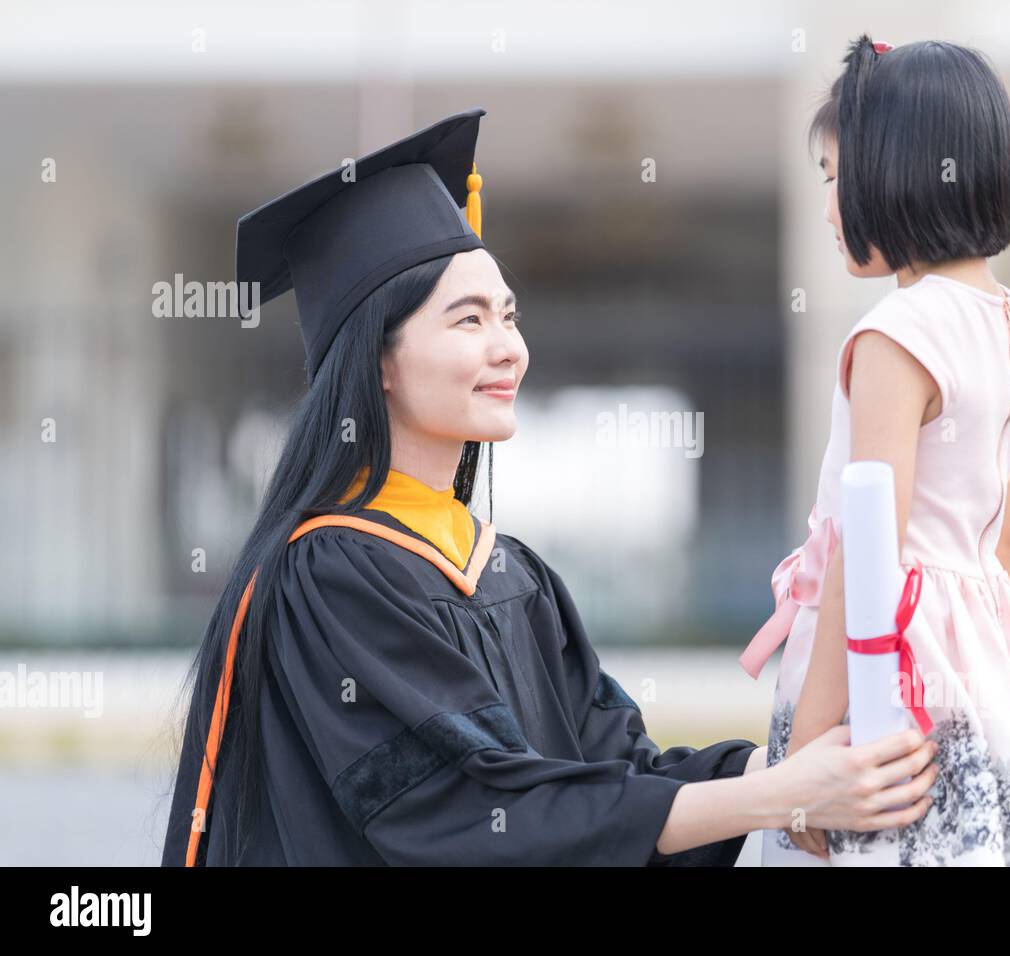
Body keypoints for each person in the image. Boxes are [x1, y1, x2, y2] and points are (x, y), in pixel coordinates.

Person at [160, 108, 938, 866]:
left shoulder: (511, 573)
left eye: (509, 315)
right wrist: (778, 797)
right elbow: (479, 820)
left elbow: (613, 773)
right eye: (468, 322)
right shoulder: (330, 575)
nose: (508, 348)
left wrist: (797, 772)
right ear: (380, 362)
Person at [742, 36, 1010, 866]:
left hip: (888, 668)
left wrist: (807, 762)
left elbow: (868, 546)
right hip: (980, 664)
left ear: (894, 174)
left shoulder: (898, 332)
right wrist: (1004, 690)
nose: (829, 210)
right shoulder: (1006, 324)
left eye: (834, 181)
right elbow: (1009, 547)